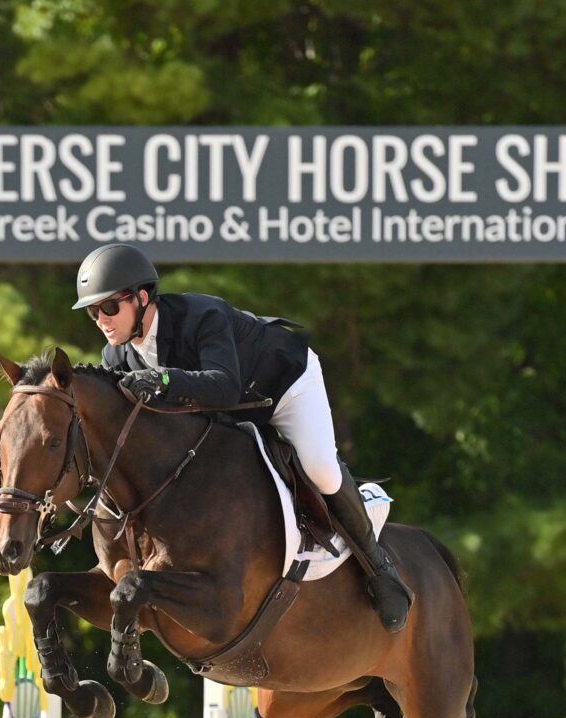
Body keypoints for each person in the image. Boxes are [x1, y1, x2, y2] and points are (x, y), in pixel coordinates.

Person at [73, 243, 412, 633]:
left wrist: (165, 379)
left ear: (142, 297)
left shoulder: (202, 315)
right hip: (226, 420)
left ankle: (378, 566)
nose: (101, 319)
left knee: (320, 469)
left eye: (109, 308)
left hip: (283, 388)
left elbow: (224, 387)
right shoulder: (116, 358)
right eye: (93, 311)